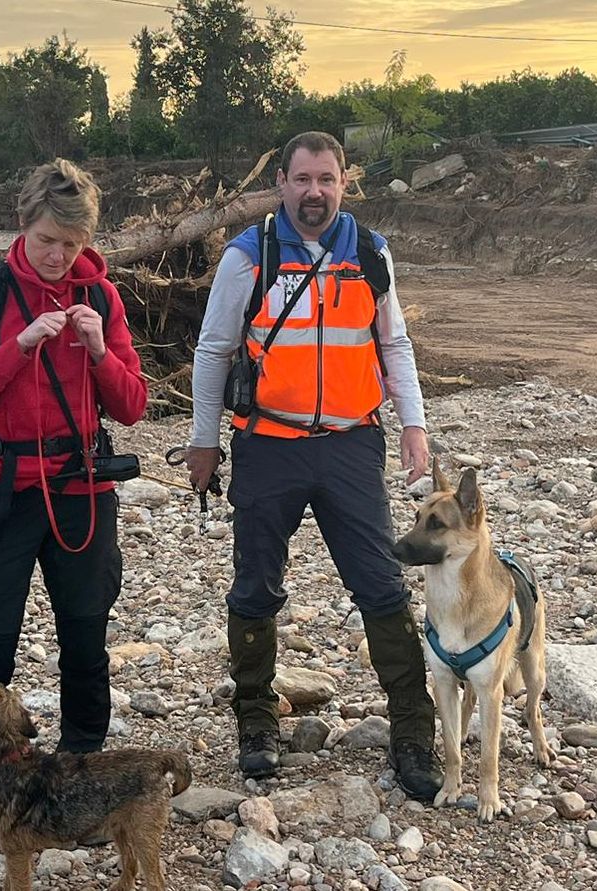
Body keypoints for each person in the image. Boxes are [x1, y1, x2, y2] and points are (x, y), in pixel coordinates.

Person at [183, 131, 442, 800]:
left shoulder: (371, 254)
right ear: (282, 187)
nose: (314, 191)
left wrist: (414, 425)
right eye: (302, 179)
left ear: (344, 183)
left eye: (326, 178)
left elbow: (396, 344)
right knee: (255, 587)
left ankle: (415, 732)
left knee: (381, 584)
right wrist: (203, 440)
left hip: (351, 442)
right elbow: (213, 351)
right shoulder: (251, 255)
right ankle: (256, 722)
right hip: (267, 443)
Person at [0, 159, 148, 860]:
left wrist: (95, 348)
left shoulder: (103, 299)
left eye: (73, 242)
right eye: (49, 239)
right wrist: (18, 347)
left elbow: (133, 405)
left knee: (86, 639)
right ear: (24, 224)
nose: (59, 257)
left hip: (82, 489)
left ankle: (81, 784)